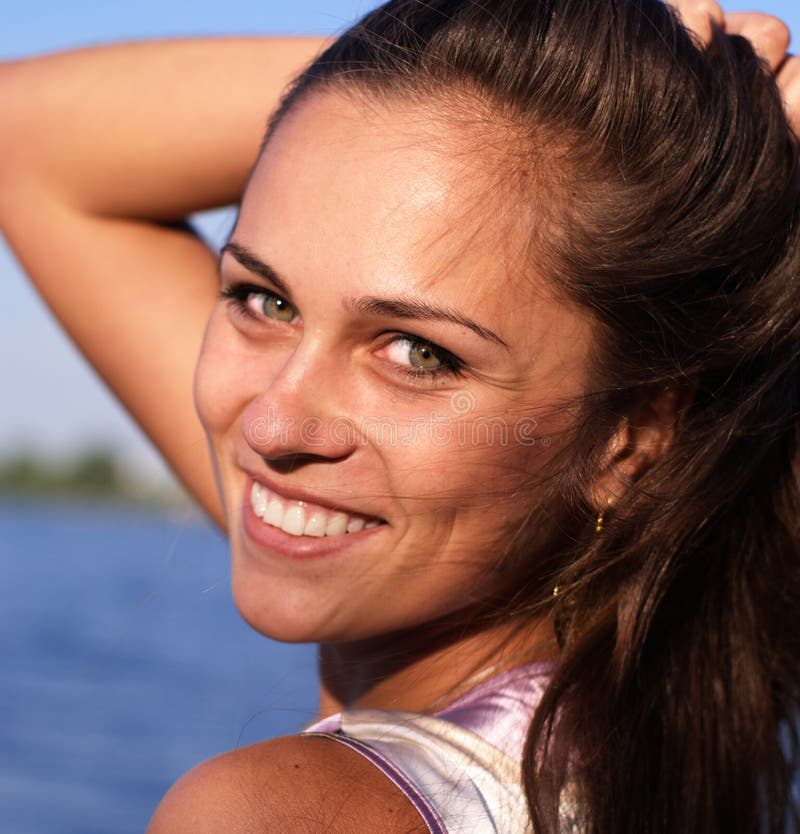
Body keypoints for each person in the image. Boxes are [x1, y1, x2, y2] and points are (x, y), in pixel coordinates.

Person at [2, 0, 799, 831]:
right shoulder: (678, 706)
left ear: (629, 441)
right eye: (262, 298)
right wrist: (596, 104)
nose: (274, 427)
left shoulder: (271, 815)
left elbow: (26, 133)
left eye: (418, 354)